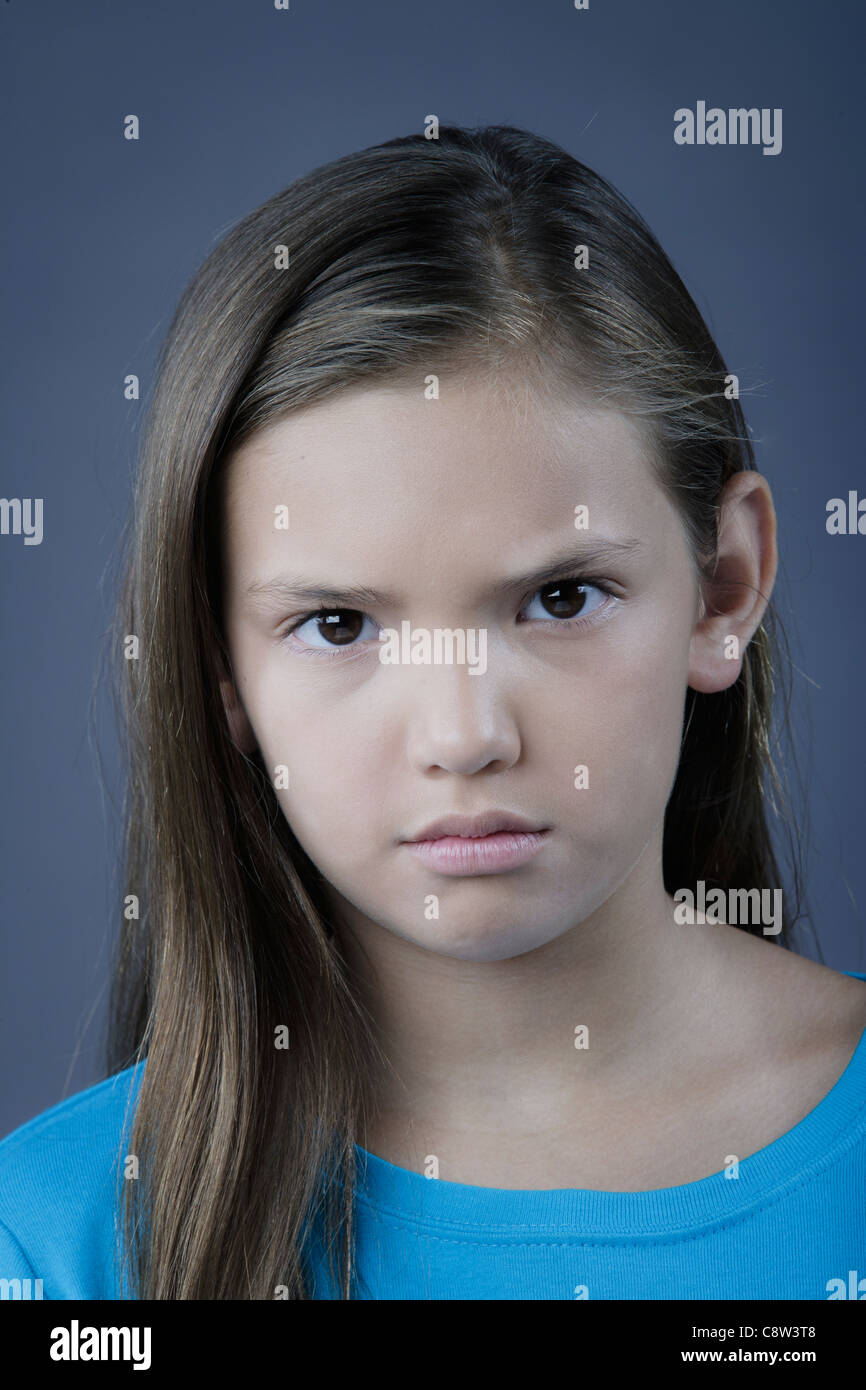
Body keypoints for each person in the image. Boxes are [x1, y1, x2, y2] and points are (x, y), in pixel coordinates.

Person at [1, 124, 864, 1301]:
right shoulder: (53, 1246)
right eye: (340, 626)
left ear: (723, 586)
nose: (465, 738)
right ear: (217, 660)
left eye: (560, 599)